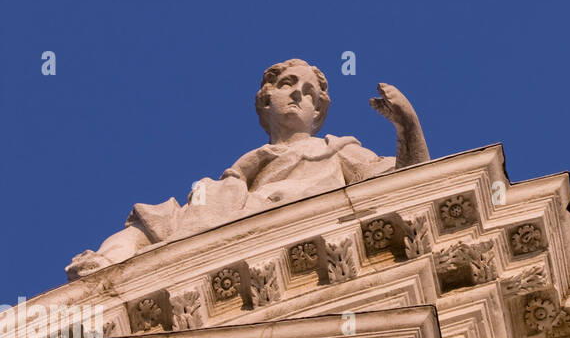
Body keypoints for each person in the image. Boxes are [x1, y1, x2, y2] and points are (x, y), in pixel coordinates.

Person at [66, 59, 429, 279]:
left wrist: (407, 126)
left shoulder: (338, 152)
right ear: (265, 100)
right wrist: (106, 264)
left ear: (318, 111)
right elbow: (148, 227)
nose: (300, 95)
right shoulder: (221, 191)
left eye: (311, 93)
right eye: (289, 84)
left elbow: (408, 190)